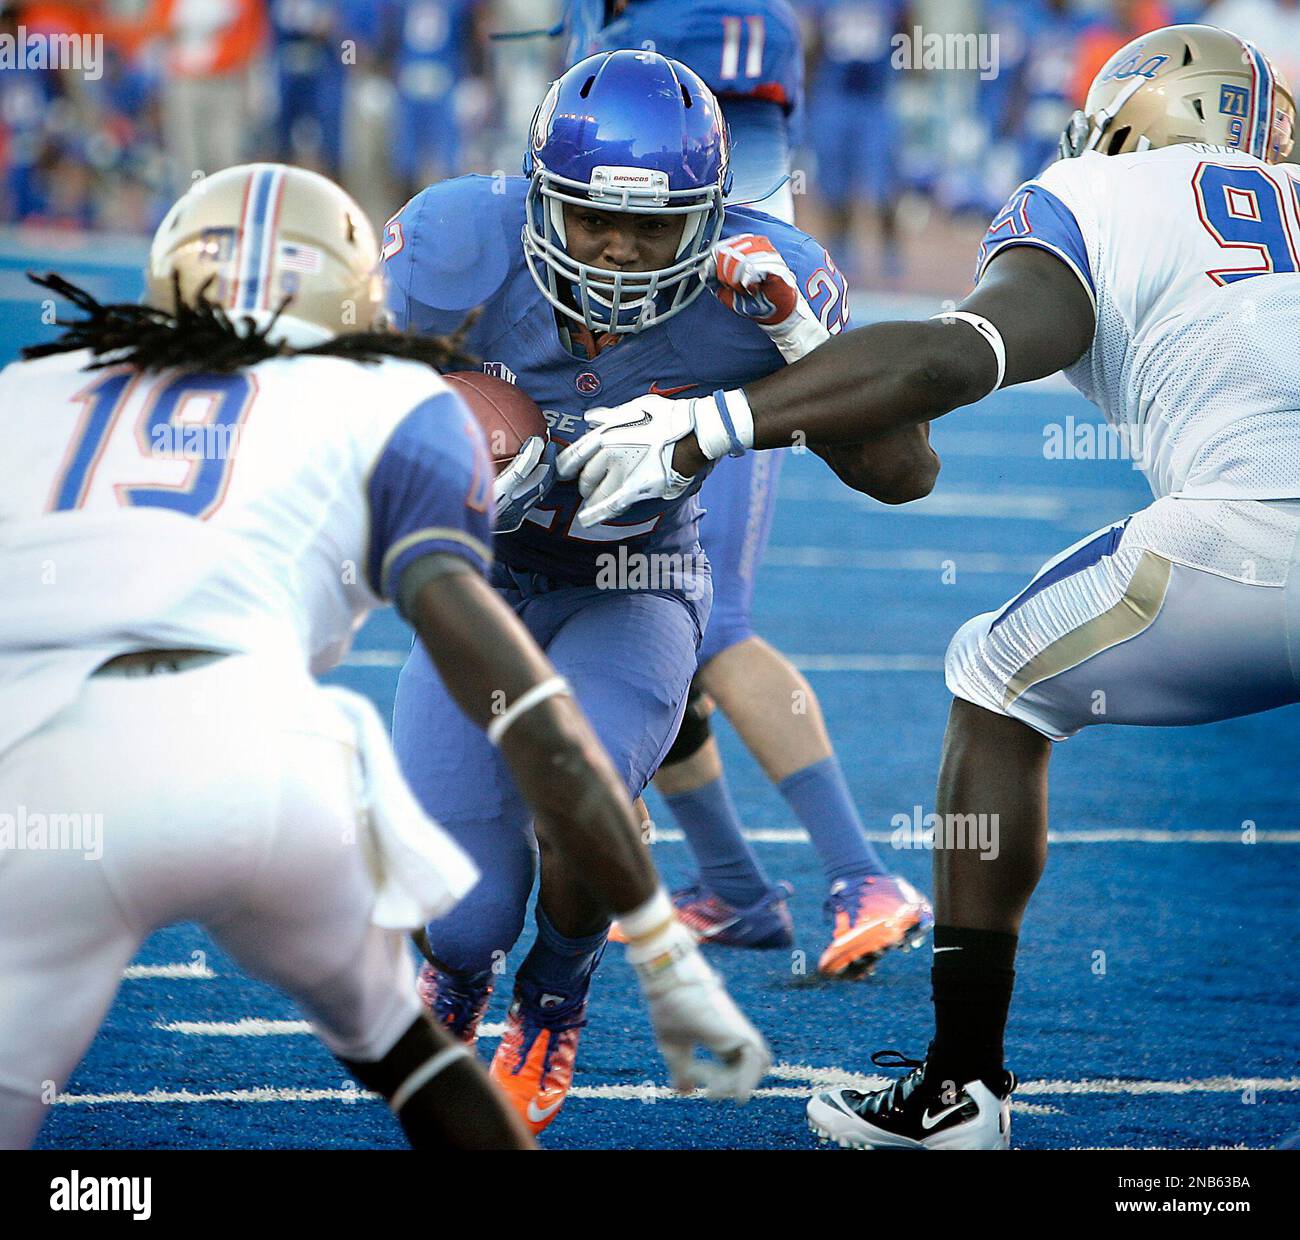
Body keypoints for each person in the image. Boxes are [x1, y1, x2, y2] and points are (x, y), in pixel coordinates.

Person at [557, 23, 1300, 1149]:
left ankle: (960, 1089)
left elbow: (955, 358)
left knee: (996, 680)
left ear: (1126, 121)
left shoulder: (1101, 193)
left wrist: (708, 425)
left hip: (1251, 537)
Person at [0, 161, 768, 1150]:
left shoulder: (34, 388)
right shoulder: (382, 401)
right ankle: (453, 1003)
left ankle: (549, 1000)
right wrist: (665, 954)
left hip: (48, 771)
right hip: (262, 763)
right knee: (437, 992)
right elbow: (503, 679)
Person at [382, 48, 934, 1134]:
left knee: (581, 797)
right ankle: (460, 971)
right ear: (541, 198)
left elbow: (903, 470)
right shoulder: (456, 242)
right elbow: (334, 407)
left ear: (710, 215)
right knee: (461, 914)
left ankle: (554, 996)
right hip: (474, 589)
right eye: (595, 218)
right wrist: (441, 459)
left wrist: (799, 341)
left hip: (632, 587)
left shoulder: (762, 279)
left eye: (654, 225)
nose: (621, 250)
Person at [567, 0, 935, 976]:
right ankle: (732, 887)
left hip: (720, 321)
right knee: (635, 610)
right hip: (635, 334)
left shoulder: (715, 19)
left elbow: (730, 174)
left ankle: (864, 875)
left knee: (712, 623)